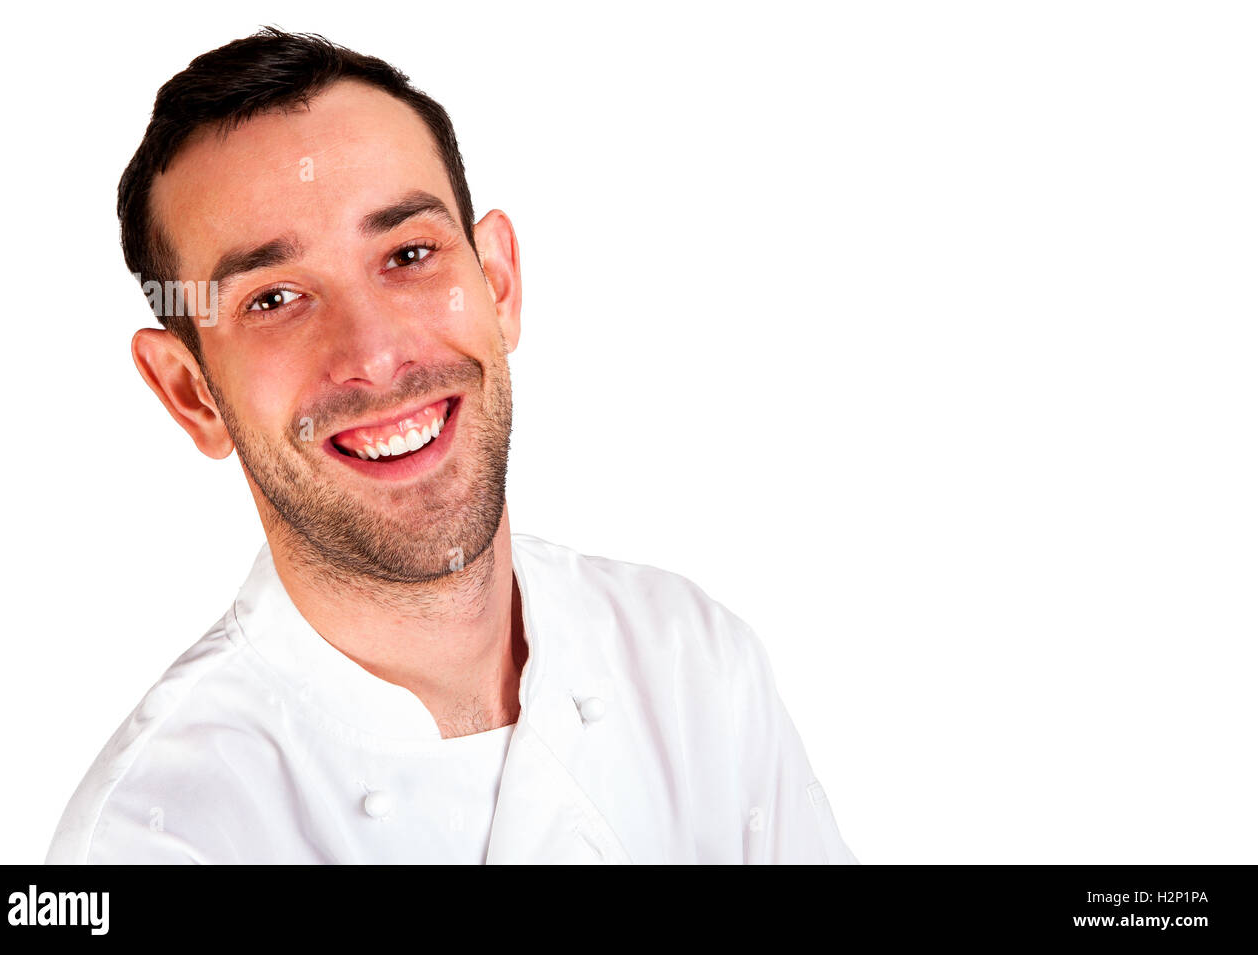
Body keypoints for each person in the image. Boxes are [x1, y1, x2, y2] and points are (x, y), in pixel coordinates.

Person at [45, 27, 858, 865]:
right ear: (192, 393)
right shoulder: (156, 837)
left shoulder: (692, 663)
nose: (373, 354)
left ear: (498, 284)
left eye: (409, 253)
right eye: (275, 298)